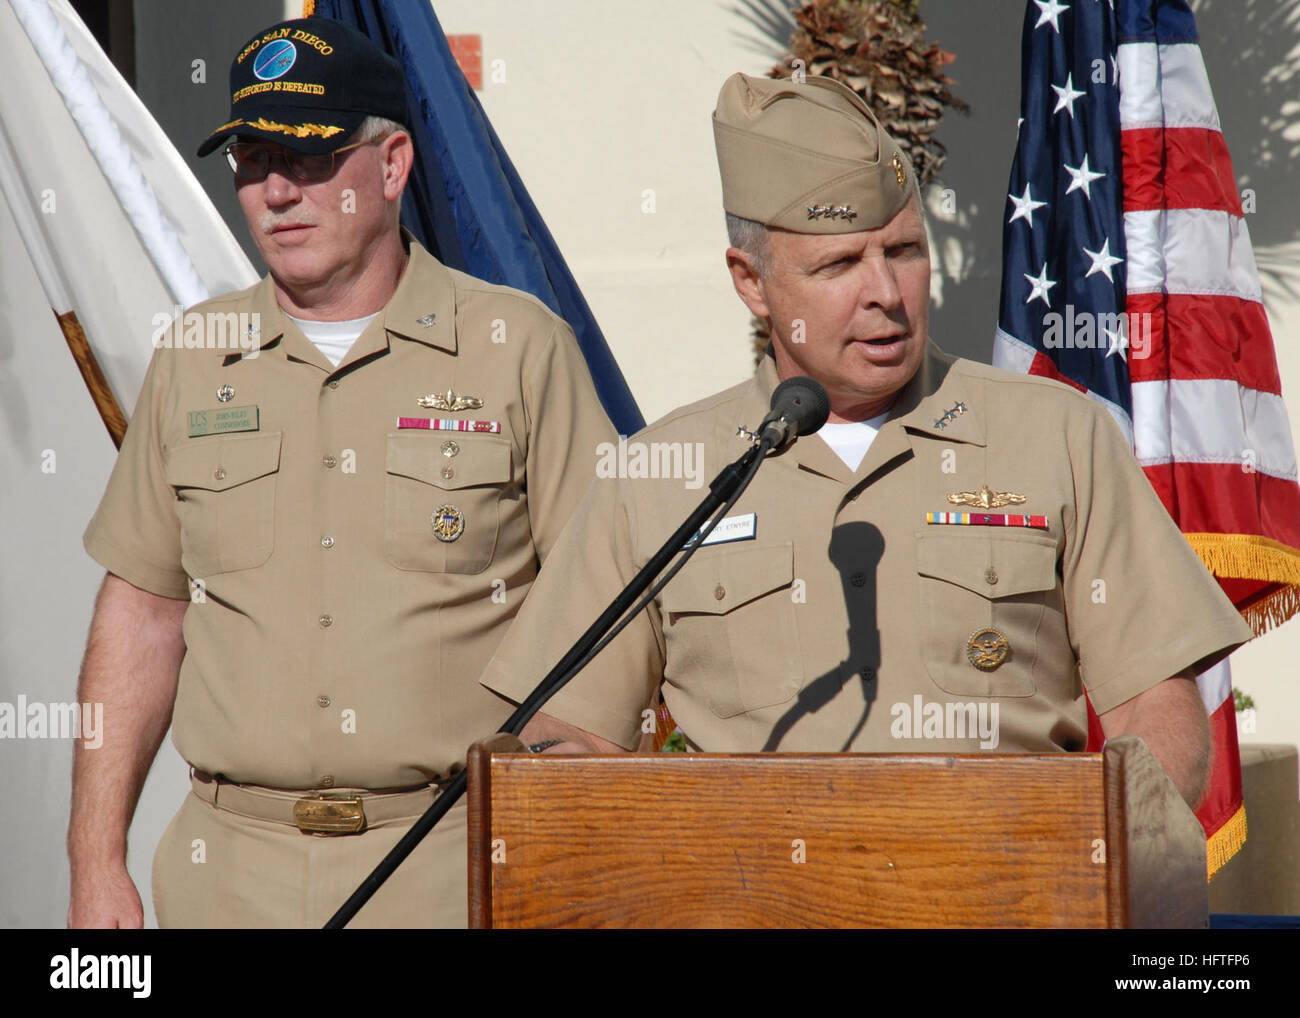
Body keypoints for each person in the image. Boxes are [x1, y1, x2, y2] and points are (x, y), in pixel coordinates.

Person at [478, 73, 1253, 810]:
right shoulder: (659, 476)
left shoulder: (1059, 435)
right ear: (751, 281)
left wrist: (1102, 837)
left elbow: (1158, 702)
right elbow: (564, 730)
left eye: (905, 251)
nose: (885, 293)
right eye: (841, 263)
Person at [67, 17, 614, 928]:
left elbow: (609, 602)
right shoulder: (196, 358)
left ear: (393, 165)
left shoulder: (516, 349)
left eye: (311, 157)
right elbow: (142, 613)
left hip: (453, 866)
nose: (276, 190)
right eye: (251, 157)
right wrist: (95, 861)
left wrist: (572, 843)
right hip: (226, 876)